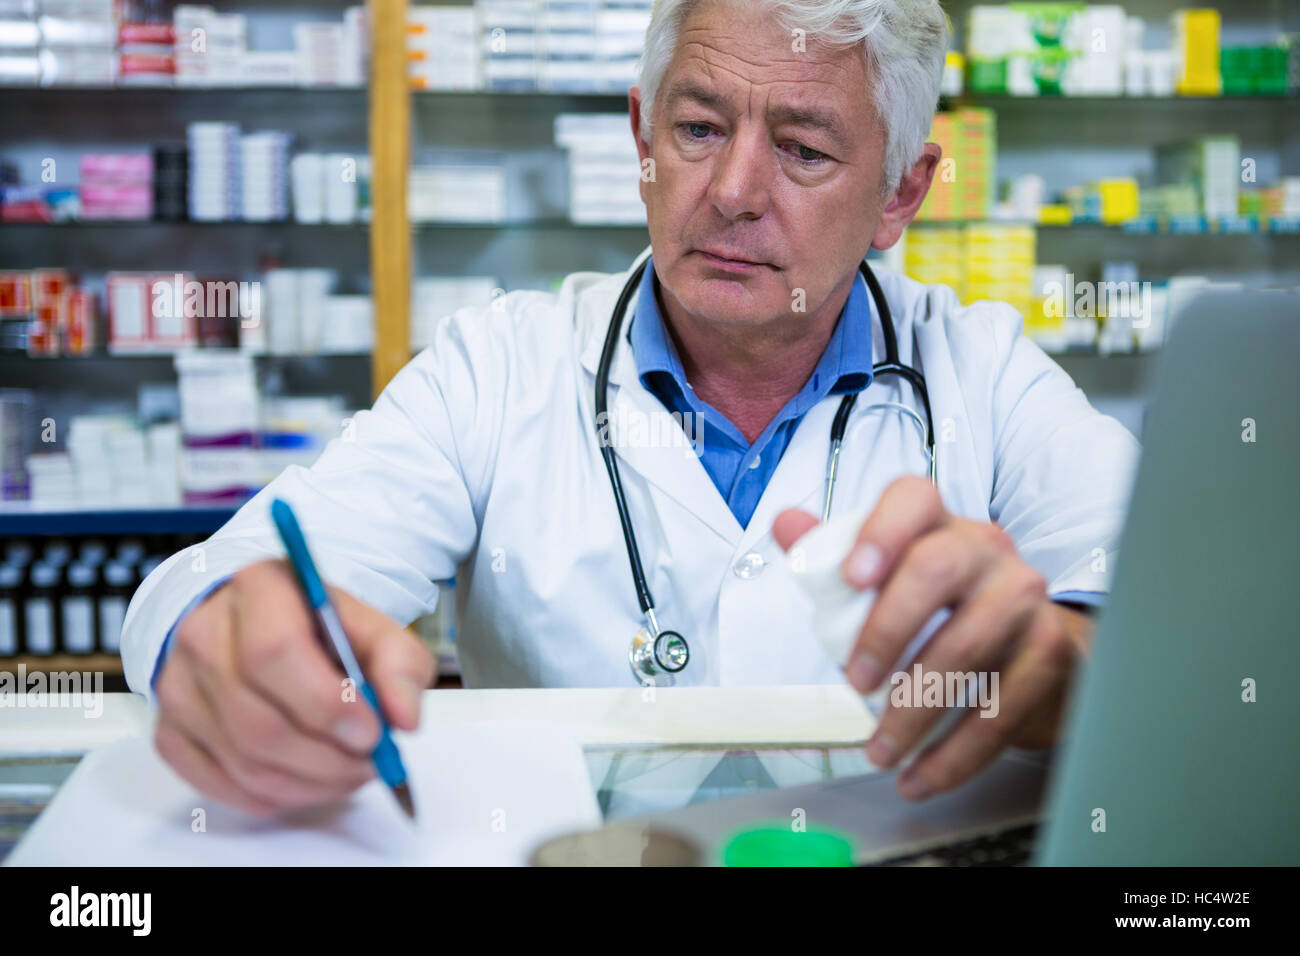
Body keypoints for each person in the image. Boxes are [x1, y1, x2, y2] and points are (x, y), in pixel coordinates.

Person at [122, 0, 1139, 817]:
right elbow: (216, 586)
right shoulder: (498, 366)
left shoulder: (984, 377)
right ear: (640, 137)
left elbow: (1167, 633)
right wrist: (227, 637)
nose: (732, 189)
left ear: (899, 193)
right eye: (697, 127)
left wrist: (1062, 668)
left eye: (803, 150)